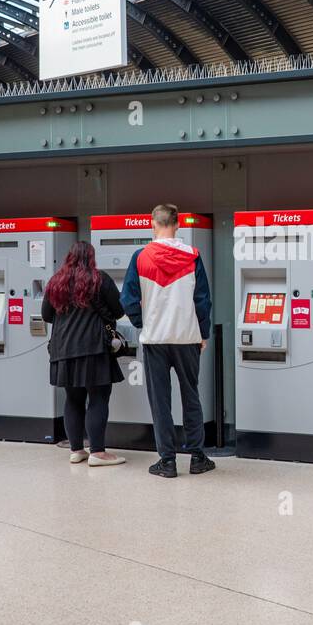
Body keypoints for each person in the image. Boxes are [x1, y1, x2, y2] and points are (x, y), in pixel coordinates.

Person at [120, 204, 214, 478]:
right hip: (187, 337)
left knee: (160, 400)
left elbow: (127, 299)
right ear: (178, 224)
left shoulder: (140, 257)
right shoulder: (193, 256)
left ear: (153, 224)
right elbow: (203, 301)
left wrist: (142, 322)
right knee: (191, 395)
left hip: (155, 339)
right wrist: (203, 333)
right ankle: (197, 457)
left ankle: (168, 461)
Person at [42, 241, 126, 467]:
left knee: (73, 398)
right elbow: (119, 311)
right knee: (98, 397)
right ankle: (98, 452)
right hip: (93, 348)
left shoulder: (55, 282)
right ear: (91, 258)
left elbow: (46, 315)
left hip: (64, 349)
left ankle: (77, 450)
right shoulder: (100, 279)